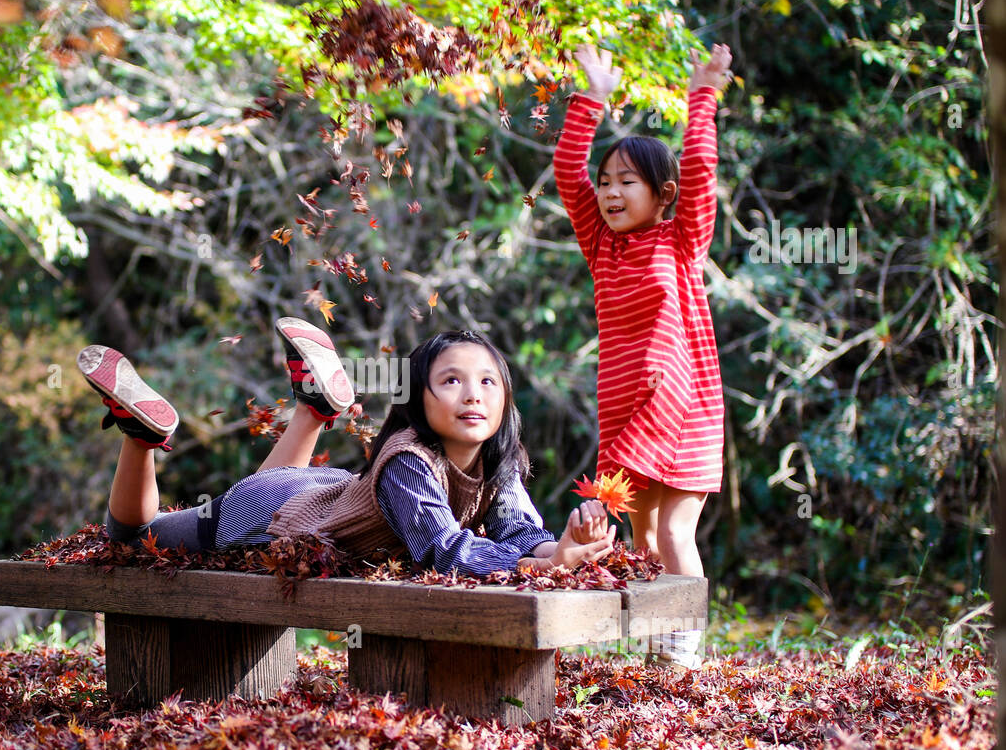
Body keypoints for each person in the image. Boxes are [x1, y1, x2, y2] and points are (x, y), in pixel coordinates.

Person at [78, 318, 616, 575]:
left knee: (260, 487)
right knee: (131, 544)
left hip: (331, 494)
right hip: (281, 514)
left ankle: (315, 409)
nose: (472, 395)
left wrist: (558, 547)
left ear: (506, 400)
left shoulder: (498, 458)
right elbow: (445, 551)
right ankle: (142, 439)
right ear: (416, 398)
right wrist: (544, 567)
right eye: (451, 381)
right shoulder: (408, 460)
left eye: (488, 382)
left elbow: (519, 531)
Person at [552, 43, 732, 669]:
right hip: (625, 409)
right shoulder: (600, 245)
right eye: (607, 182)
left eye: (628, 181)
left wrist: (701, 96)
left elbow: (704, 175)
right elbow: (567, 172)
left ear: (662, 194)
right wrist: (591, 99)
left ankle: (681, 647)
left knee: (675, 531)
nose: (611, 191)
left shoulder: (681, 241)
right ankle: (661, 646)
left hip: (682, 409)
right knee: (645, 535)